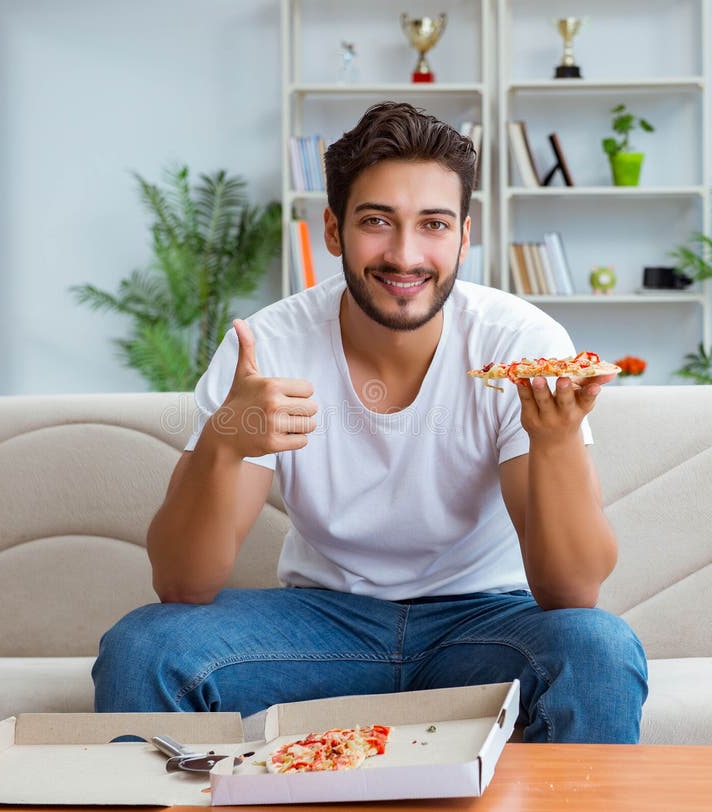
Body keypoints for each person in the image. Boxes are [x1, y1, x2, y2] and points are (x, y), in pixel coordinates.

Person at [92, 101, 647, 743]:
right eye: (377, 222)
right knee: (142, 647)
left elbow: (572, 591)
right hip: (321, 624)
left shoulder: (520, 343)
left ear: (465, 236)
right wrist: (222, 444)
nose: (405, 256)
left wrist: (552, 443)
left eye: (433, 224)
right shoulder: (267, 347)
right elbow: (182, 583)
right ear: (334, 230)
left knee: (600, 649)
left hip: (487, 625)